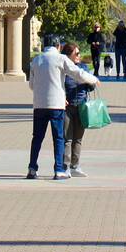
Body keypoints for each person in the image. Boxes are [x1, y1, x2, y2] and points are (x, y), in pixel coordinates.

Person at [28, 38, 99, 180]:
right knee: (59, 138)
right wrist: (93, 79)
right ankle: (59, 170)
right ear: (58, 46)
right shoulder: (60, 59)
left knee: (37, 138)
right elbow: (77, 73)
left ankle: (32, 168)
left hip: (39, 105)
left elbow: (31, 85)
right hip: (56, 105)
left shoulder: (36, 60)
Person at [62, 43, 97, 176]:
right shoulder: (63, 70)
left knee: (78, 138)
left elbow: (91, 86)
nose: (79, 56)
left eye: (79, 53)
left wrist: (88, 83)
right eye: (76, 53)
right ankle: (65, 166)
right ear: (68, 55)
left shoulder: (83, 68)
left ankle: (75, 166)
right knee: (67, 138)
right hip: (67, 107)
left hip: (82, 106)